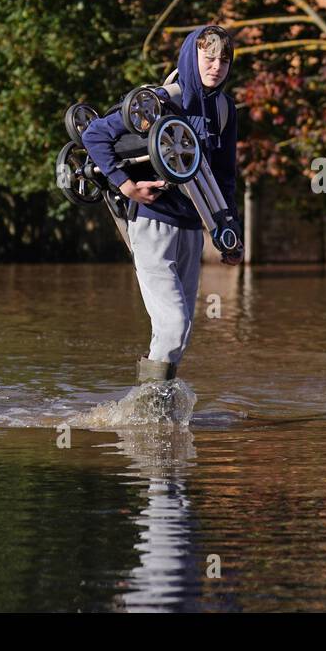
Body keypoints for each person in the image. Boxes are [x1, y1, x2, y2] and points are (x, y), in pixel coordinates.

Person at [81, 24, 241, 383]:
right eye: (209, 58)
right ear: (191, 56)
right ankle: (150, 408)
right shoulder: (160, 100)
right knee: (173, 323)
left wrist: (231, 230)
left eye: (224, 60)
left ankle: (156, 413)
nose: (216, 66)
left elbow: (225, 176)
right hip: (152, 221)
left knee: (178, 331)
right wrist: (126, 186)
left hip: (191, 228)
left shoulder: (226, 110)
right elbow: (95, 135)